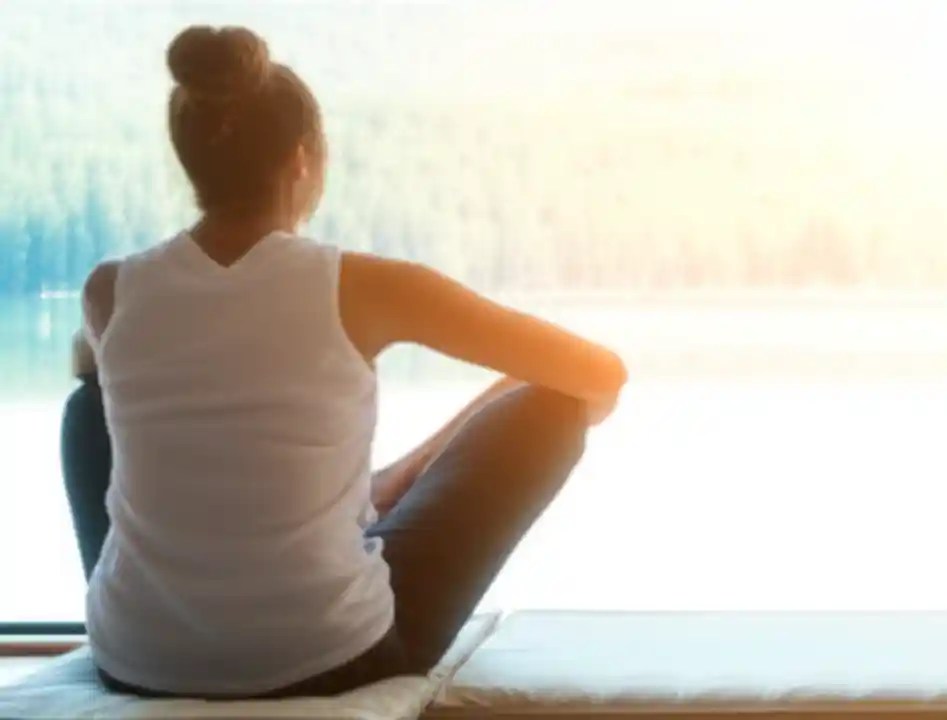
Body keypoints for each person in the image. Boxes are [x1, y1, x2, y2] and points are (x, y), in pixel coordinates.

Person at [60, 24, 627, 700]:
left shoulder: (109, 289)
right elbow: (598, 375)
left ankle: (172, 600)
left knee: (89, 400)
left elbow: (88, 369)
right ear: (302, 160)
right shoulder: (366, 285)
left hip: (133, 659)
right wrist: (420, 466)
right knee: (555, 406)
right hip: (326, 655)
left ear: (190, 163)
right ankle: (373, 500)